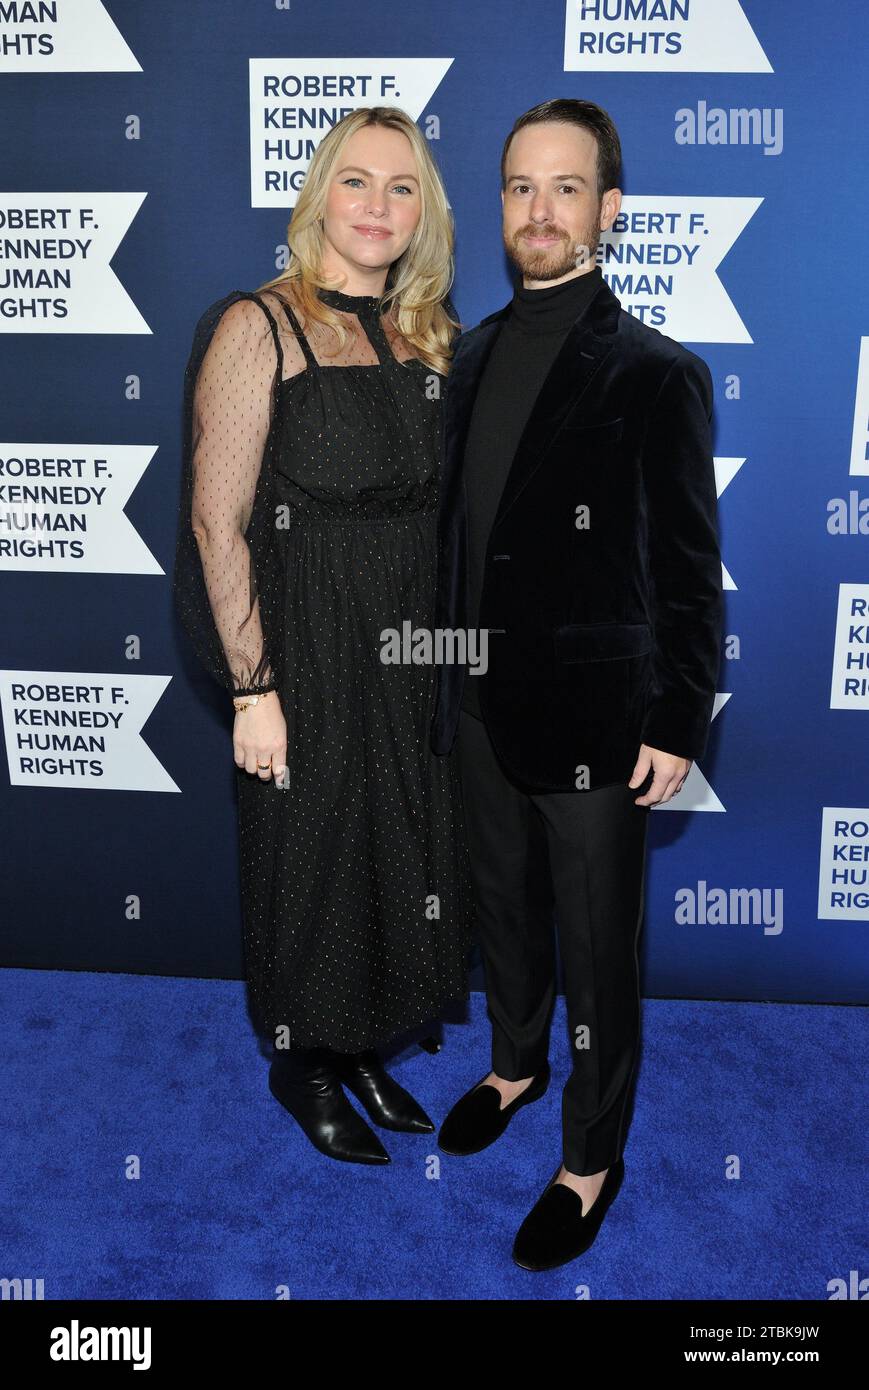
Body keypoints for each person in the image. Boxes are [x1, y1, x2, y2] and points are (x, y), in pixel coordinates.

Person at [430, 99, 723, 1268]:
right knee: (501, 910)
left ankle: (588, 1157)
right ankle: (513, 1062)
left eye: (563, 187)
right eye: (516, 186)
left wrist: (674, 713)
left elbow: (687, 568)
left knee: (598, 949)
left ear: (608, 208)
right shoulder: (469, 354)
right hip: (477, 701)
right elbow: (461, 539)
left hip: (600, 724)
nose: (537, 210)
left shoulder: (655, 374)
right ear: (498, 204)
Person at [174, 107, 474, 1166]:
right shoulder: (260, 325)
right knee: (310, 851)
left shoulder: (422, 331)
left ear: (422, 212)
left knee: (396, 842)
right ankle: (302, 1059)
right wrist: (253, 686)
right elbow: (218, 519)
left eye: (401, 188)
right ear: (318, 196)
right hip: (304, 639)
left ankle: (355, 1043)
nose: (377, 207)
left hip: (409, 644)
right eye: (356, 181)